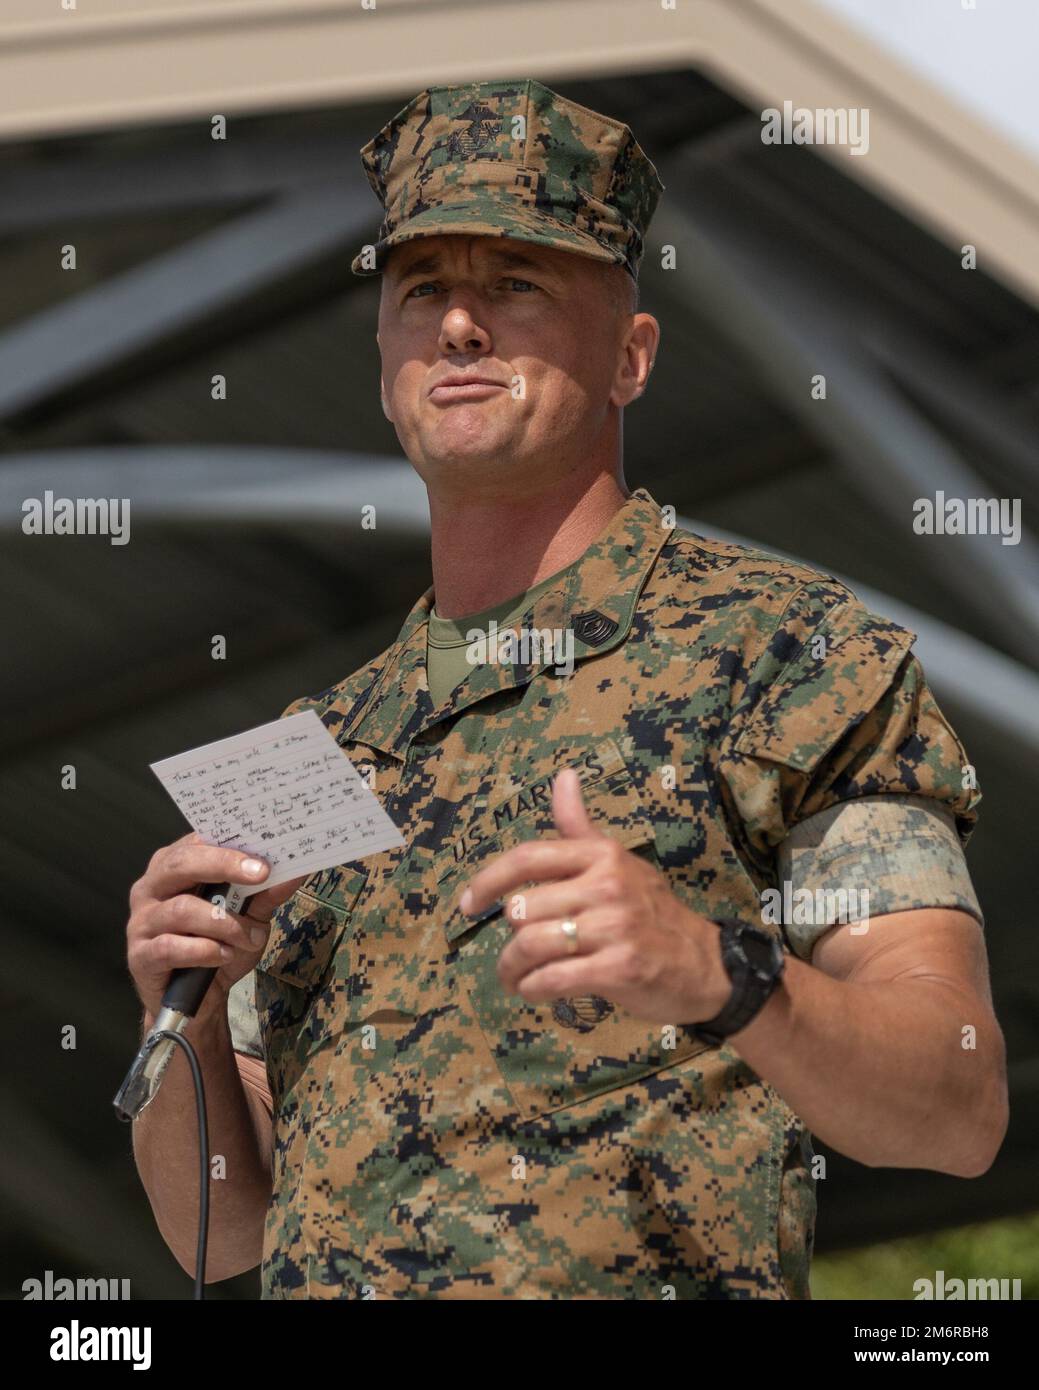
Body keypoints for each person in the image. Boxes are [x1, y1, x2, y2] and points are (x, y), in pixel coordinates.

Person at [126, 78, 1008, 1299]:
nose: (460, 328)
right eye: (422, 290)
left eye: (517, 284)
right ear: (383, 355)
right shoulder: (311, 750)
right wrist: (182, 1016)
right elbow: (216, 1237)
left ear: (632, 355)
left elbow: (956, 1102)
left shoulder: (791, 656)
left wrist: (715, 970)